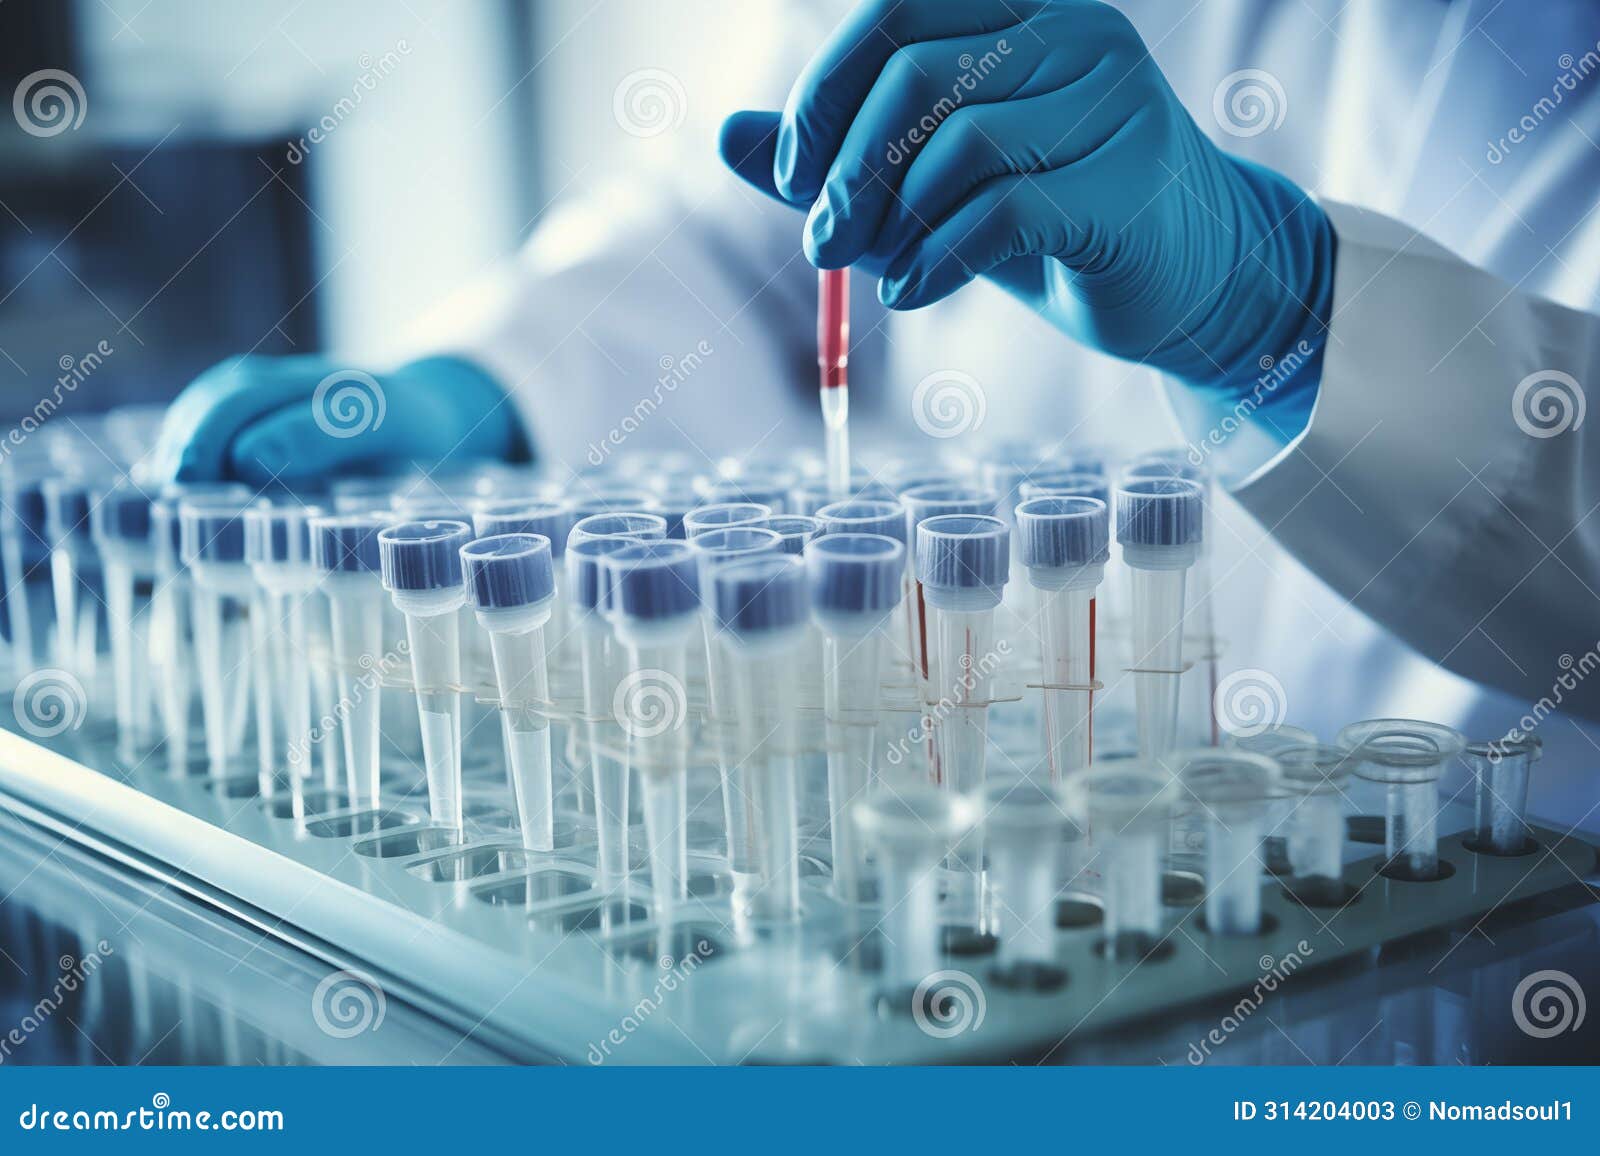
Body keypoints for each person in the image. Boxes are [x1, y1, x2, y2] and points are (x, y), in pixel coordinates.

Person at [151, 0, 1600, 809]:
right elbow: (777, 233)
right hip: (998, 866)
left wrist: (1287, 312)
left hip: (1491, 938)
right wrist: (494, 386)